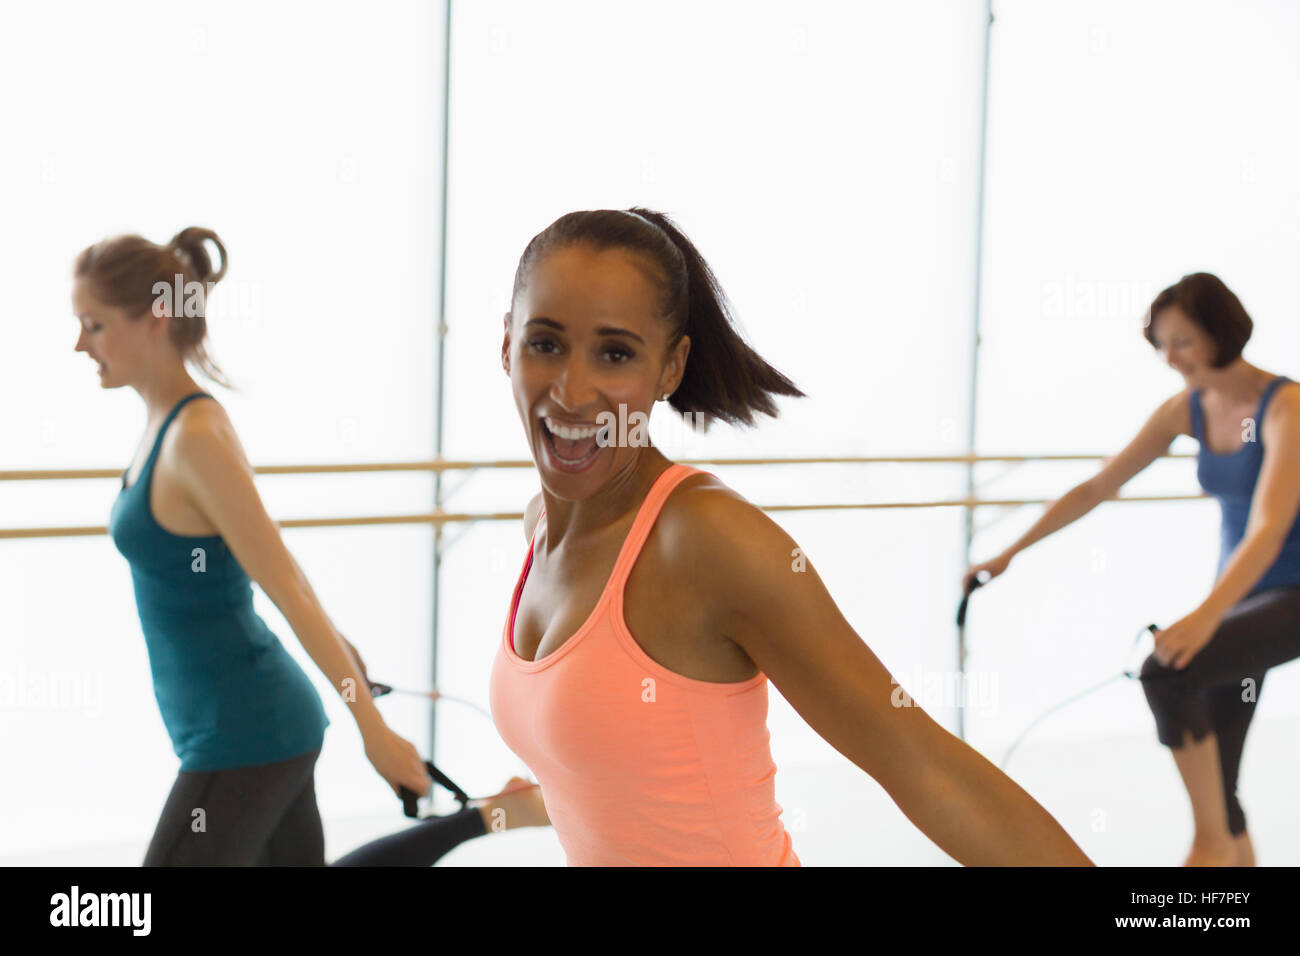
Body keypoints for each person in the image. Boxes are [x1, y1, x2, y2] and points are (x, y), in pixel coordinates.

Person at [489, 206, 1095, 866]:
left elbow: (924, 766)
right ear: (506, 344)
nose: (573, 392)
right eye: (545, 343)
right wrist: (528, 803)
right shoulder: (541, 527)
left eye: (615, 354)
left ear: (670, 368)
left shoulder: (706, 540)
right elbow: (640, 770)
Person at [74, 226, 547, 865]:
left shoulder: (195, 438)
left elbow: (284, 586)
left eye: (94, 326)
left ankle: (491, 816)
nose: (80, 344)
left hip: (244, 731)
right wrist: (349, 659)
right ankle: (494, 814)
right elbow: (279, 563)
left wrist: (371, 729)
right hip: (247, 725)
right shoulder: (165, 426)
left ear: (156, 316)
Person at [964, 272, 1300, 867]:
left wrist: (1203, 617)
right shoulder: (1186, 410)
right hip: (1241, 596)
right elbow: (1098, 486)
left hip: (1288, 595)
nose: (1169, 358)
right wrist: (1008, 552)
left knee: (1168, 672)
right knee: (1221, 771)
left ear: (1220, 332)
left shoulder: (1286, 406)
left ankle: (1208, 846)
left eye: (1182, 341)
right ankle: (1225, 856)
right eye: (1162, 344)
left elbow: (1269, 528)